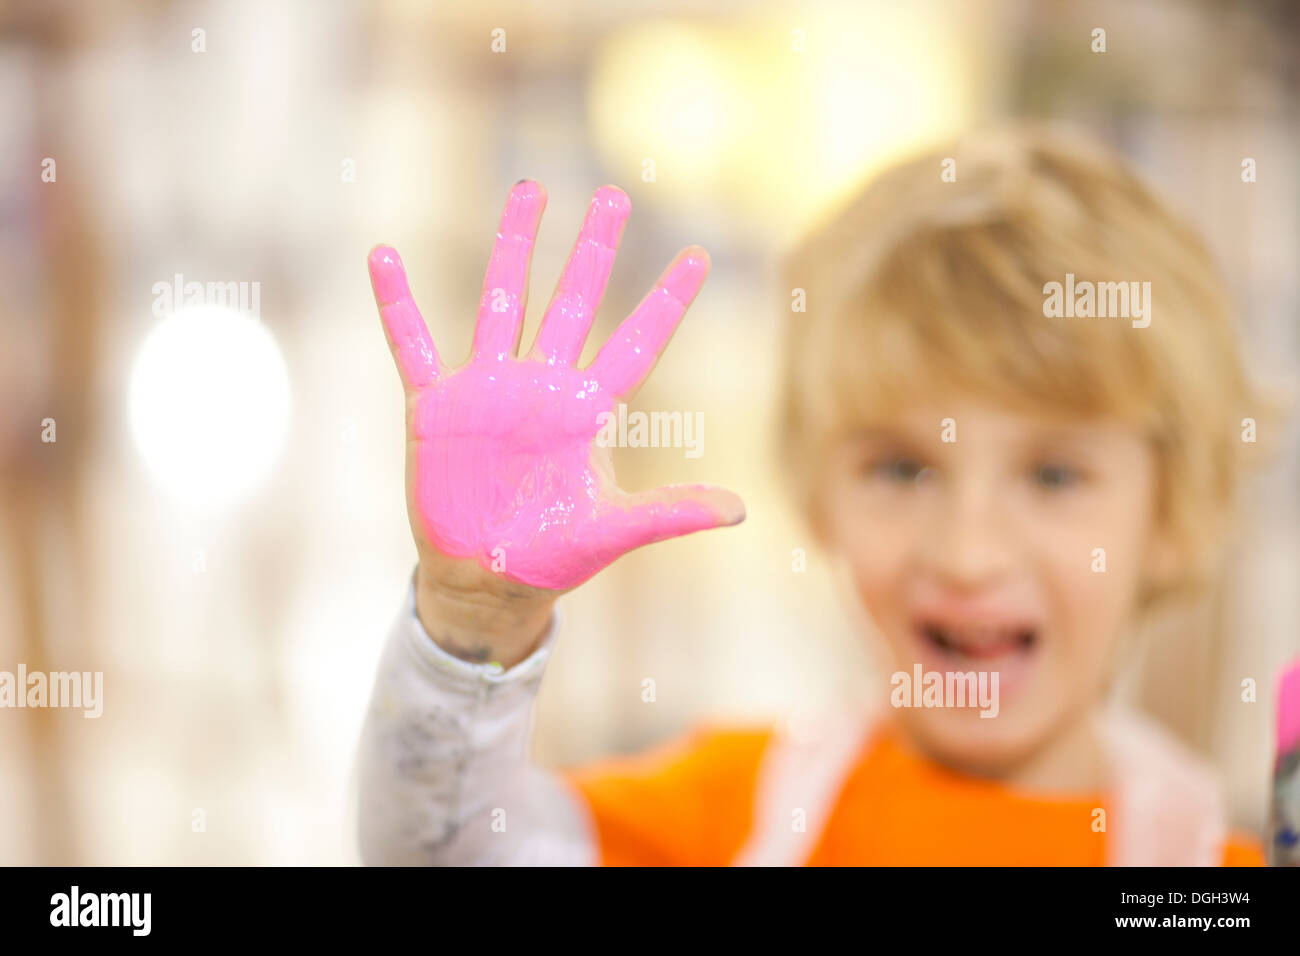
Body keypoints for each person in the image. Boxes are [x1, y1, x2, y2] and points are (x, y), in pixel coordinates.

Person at [356, 125, 1264, 865]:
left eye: (1054, 475)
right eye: (902, 469)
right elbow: (446, 856)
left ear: (1174, 512)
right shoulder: (728, 807)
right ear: (819, 496)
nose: (967, 551)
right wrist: (473, 620)